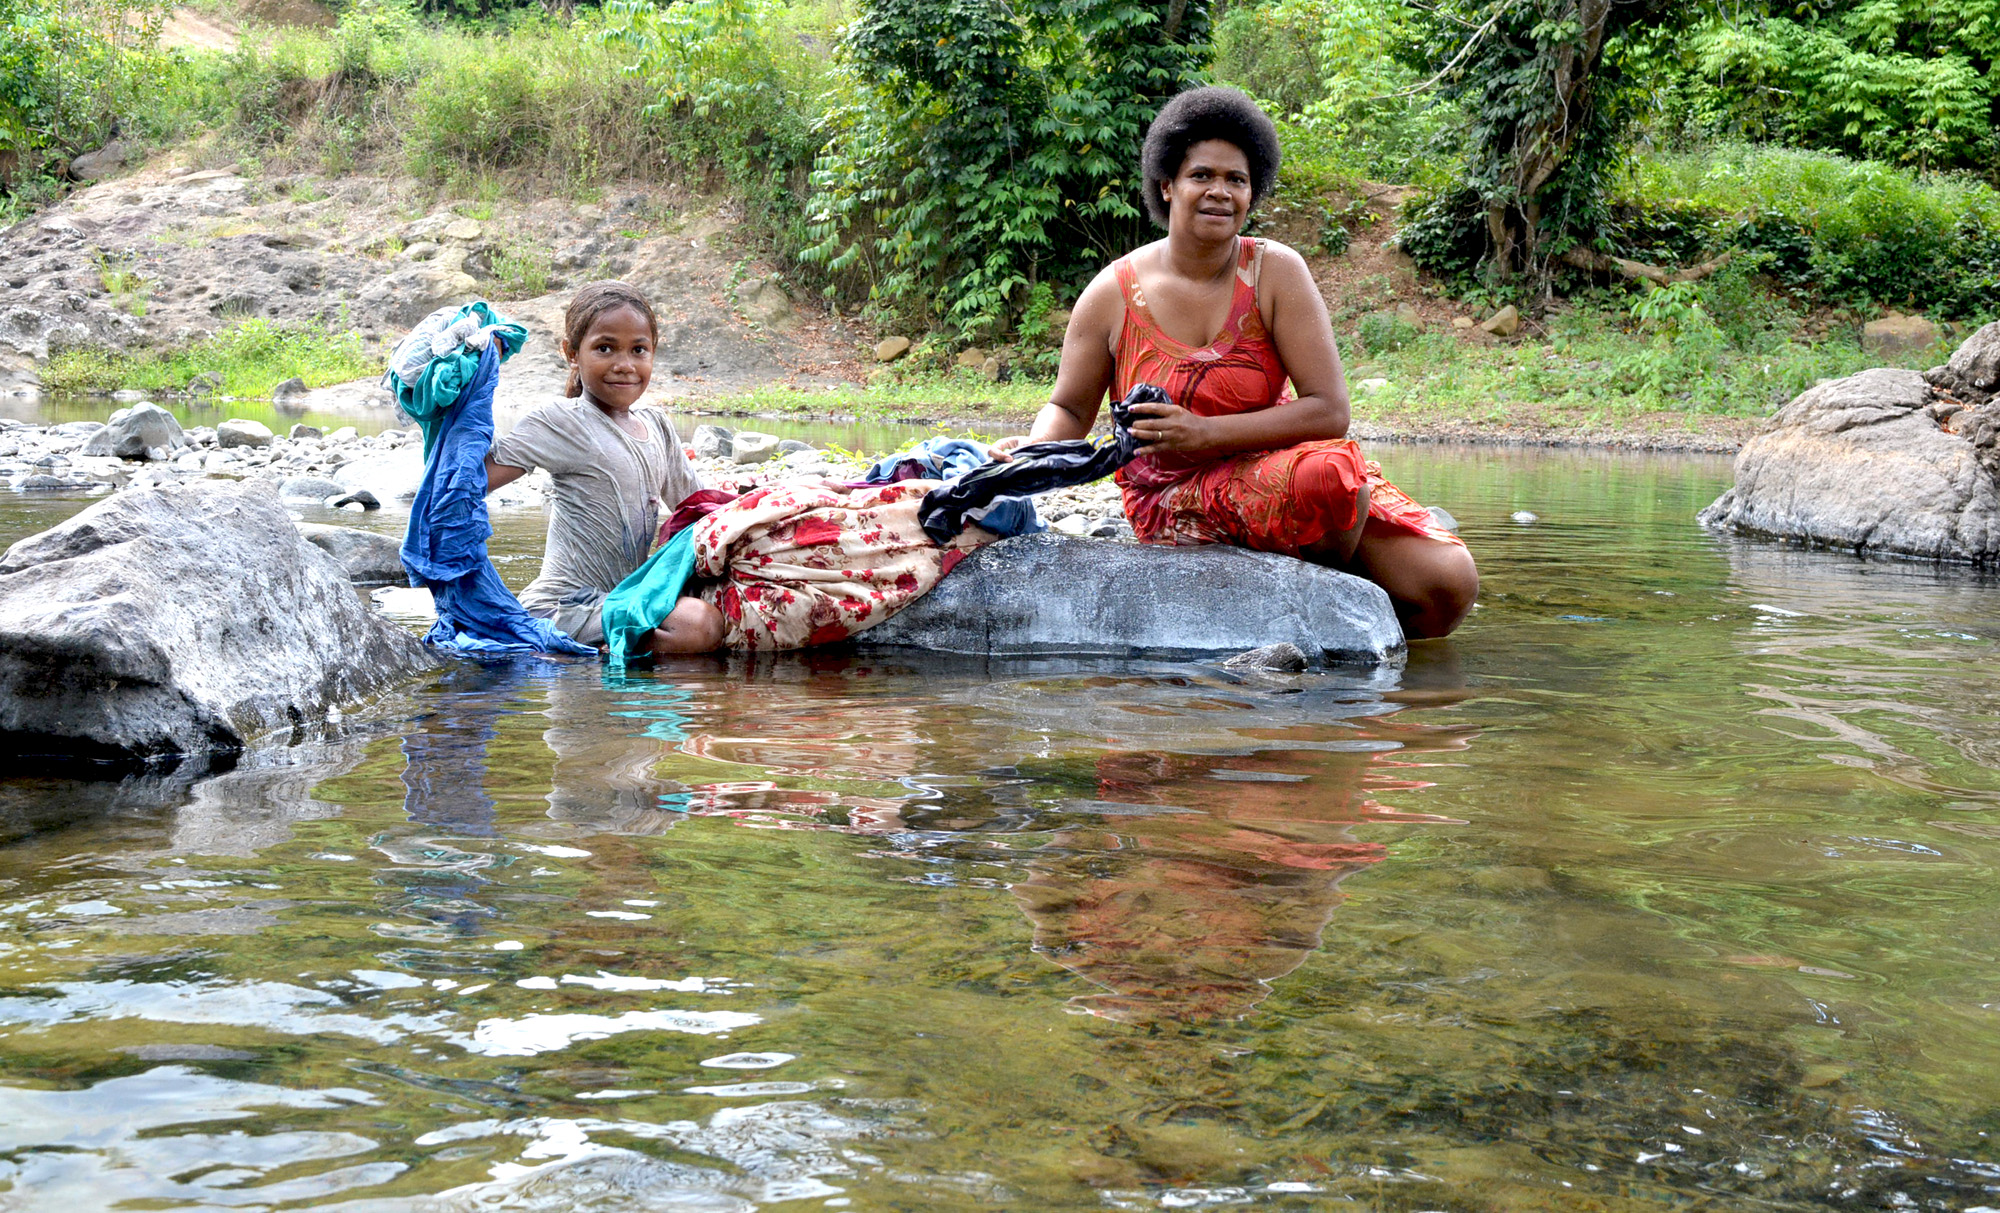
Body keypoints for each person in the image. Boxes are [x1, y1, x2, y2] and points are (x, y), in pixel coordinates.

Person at [995, 87, 1478, 638]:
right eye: (1202, 175)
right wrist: (1028, 457)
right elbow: (1068, 406)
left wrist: (1205, 431)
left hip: (1278, 464)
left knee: (1448, 584)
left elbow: (1329, 410)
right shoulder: (1113, 293)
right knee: (1333, 477)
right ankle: (1308, 627)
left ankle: (1345, 635)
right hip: (1173, 492)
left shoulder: (1275, 272)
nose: (1219, 192)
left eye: (1237, 180)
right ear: (1167, 185)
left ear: (1253, 192)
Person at [483, 280, 724, 656]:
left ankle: (613, 652)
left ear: (653, 353)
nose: (624, 365)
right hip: (562, 607)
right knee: (698, 624)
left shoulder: (657, 425)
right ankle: (592, 656)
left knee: (716, 610)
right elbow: (471, 483)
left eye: (638, 350)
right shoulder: (563, 420)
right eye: (605, 348)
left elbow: (700, 513)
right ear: (571, 352)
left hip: (620, 598)